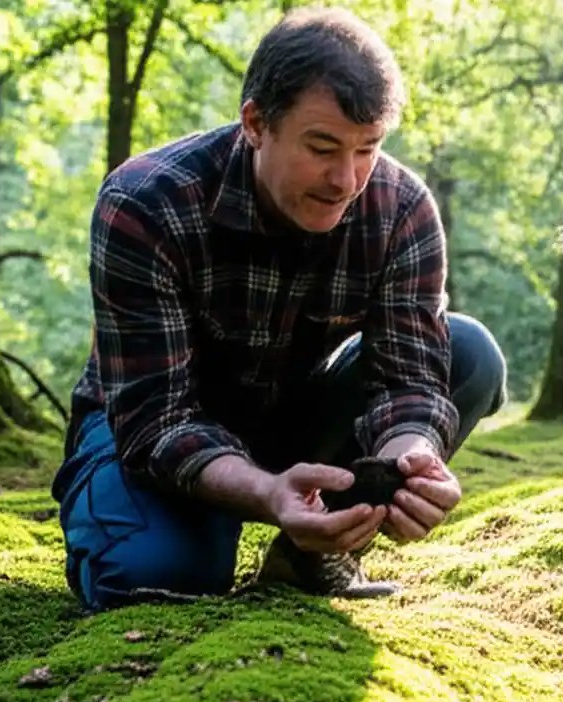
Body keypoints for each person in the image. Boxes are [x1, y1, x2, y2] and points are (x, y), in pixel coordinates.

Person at [52, 7, 507, 612]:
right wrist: (267, 494)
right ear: (255, 123)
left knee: (468, 350)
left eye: (366, 149)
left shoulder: (401, 209)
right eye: (322, 147)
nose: (345, 179)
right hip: (152, 427)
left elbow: (410, 378)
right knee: (151, 578)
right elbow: (155, 419)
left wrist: (409, 456)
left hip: (292, 416)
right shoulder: (147, 204)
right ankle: (157, 530)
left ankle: (309, 558)